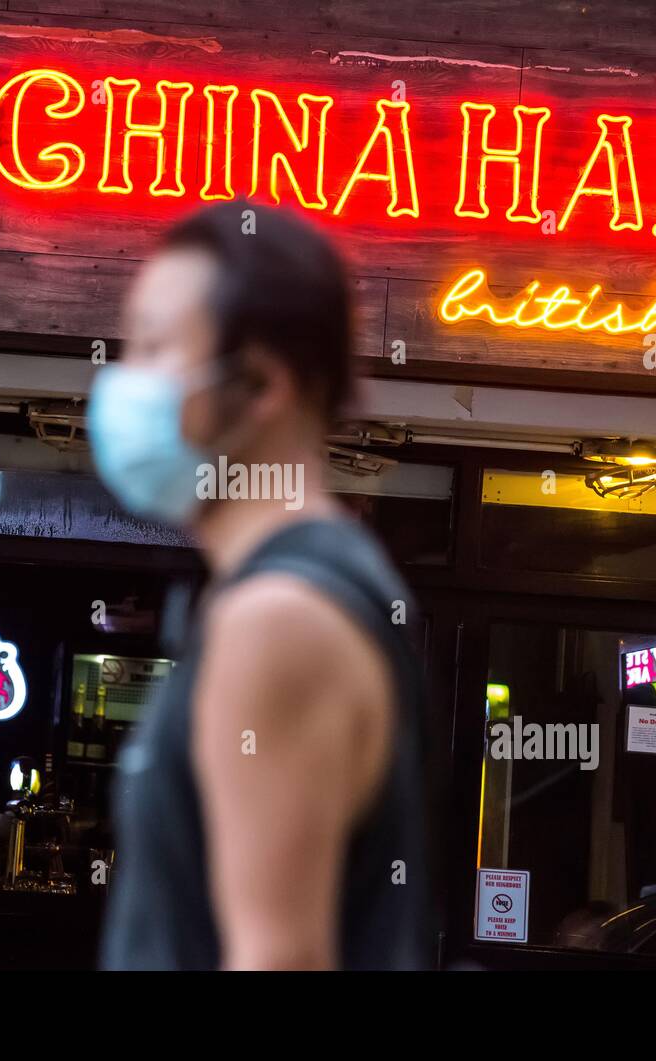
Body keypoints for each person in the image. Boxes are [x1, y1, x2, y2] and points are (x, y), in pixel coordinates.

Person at [89, 201, 432, 970]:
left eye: (152, 347)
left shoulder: (277, 619)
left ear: (262, 383)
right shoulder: (300, 589)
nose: (121, 381)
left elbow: (279, 958)